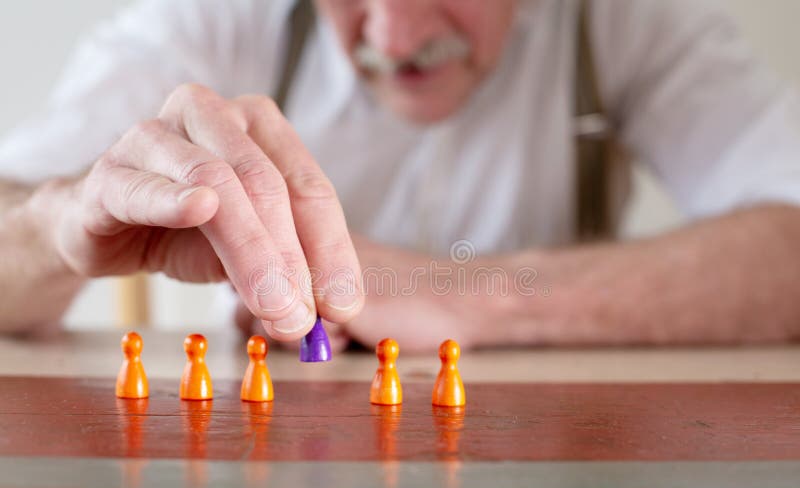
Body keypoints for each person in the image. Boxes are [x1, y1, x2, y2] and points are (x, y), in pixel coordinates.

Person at [0, 0, 798, 351]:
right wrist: (48, 229)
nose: (395, 33)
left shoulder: (628, 20)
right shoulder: (209, 21)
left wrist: (475, 295)